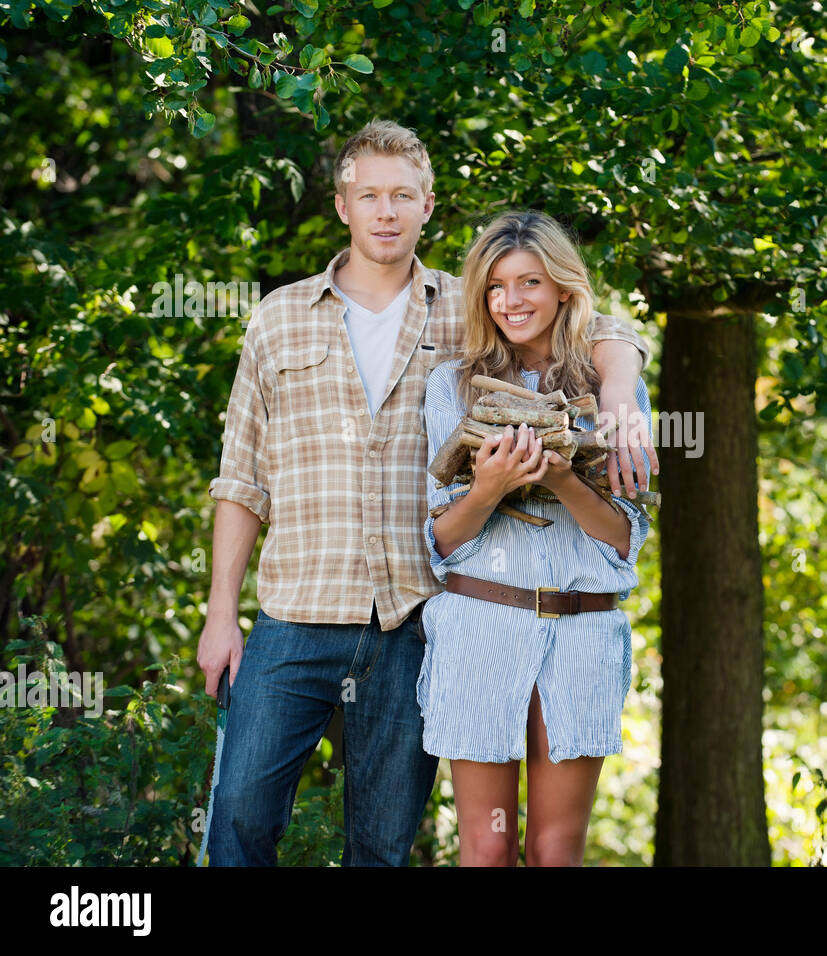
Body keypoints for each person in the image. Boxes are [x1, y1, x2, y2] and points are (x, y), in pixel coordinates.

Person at [197, 120, 658, 866]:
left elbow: (591, 321)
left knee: (383, 846)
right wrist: (221, 615)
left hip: (412, 616)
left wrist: (621, 394)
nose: (386, 211)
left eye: (402, 196)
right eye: (370, 195)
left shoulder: (466, 309)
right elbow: (240, 479)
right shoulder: (277, 318)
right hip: (296, 612)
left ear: (427, 206)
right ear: (342, 204)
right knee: (241, 822)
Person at [418, 210, 653, 866]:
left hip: (582, 637)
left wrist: (564, 480)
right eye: (495, 287)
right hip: (480, 627)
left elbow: (623, 541)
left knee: (556, 852)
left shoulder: (610, 394)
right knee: (487, 849)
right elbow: (439, 541)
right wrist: (489, 489)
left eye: (528, 283)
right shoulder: (453, 388)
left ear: (562, 290)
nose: (511, 301)